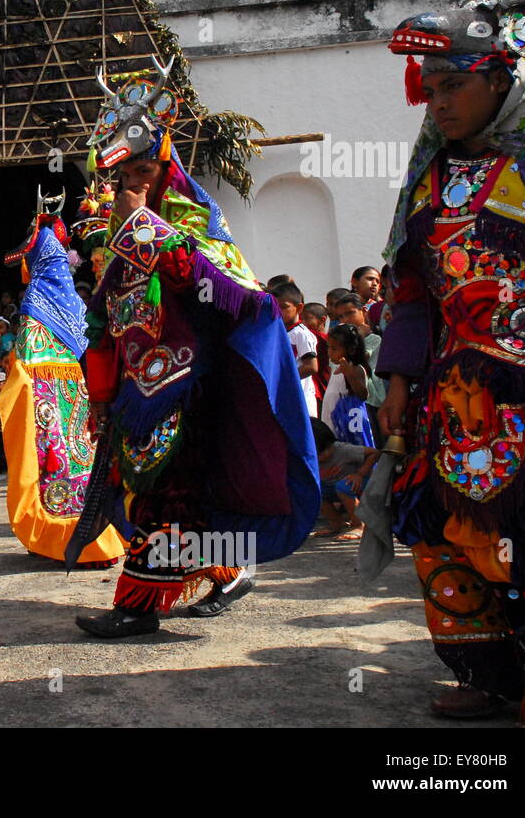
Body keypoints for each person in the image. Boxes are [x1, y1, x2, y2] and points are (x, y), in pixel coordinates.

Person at [70, 57, 320, 635]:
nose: (126, 182)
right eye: (117, 173)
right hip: (140, 391)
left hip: (193, 387)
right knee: (161, 493)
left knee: (167, 494)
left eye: (136, 167)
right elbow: (107, 322)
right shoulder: (119, 232)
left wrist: (145, 229)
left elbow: (232, 292)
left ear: (160, 164)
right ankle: (227, 569)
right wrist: (102, 395)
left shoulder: (194, 219)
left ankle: (136, 608)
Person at [377, 0, 525, 724]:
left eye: (454, 84)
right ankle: (490, 674)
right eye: (431, 87)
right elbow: (411, 294)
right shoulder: (427, 183)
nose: (439, 102)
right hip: (447, 400)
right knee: (442, 536)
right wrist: (395, 389)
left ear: (503, 79)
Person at [0, 189, 124, 566]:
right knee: (86, 463)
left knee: (53, 465)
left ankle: (60, 539)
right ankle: (98, 540)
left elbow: (23, 366)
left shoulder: (35, 302)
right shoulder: (75, 302)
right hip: (82, 402)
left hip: (46, 405)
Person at [311, 419, 377, 541]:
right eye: (319, 454)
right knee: (313, 491)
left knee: (343, 486)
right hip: (333, 487)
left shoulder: (343, 450)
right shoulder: (308, 457)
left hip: (358, 484)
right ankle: (336, 522)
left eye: (327, 449)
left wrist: (360, 474)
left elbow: (374, 453)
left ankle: (359, 524)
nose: (324, 455)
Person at [331, 290, 387, 434]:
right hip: (346, 399)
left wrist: (359, 337)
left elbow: (358, 358)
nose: (345, 320)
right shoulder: (339, 342)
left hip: (370, 399)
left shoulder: (374, 339)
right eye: (341, 316)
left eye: (350, 313)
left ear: (363, 311)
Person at [321, 323, 375, 447]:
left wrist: (349, 374)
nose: (329, 352)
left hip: (346, 427)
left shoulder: (356, 369)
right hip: (331, 422)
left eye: (334, 349)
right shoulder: (336, 367)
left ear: (350, 349)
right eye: (328, 347)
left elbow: (363, 394)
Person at [272, 280, 320, 418]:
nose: (278, 312)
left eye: (283, 307)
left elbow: (311, 366)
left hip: (301, 398)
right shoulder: (279, 332)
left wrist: (286, 379)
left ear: (299, 308)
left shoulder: (301, 333)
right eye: (275, 307)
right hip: (285, 397)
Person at [302, 302, 331, 406]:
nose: (303, 323)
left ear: (322, 320)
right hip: (311, 389)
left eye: (307, 319)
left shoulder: (324, 340)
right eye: (301, 319)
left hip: (321, 389)